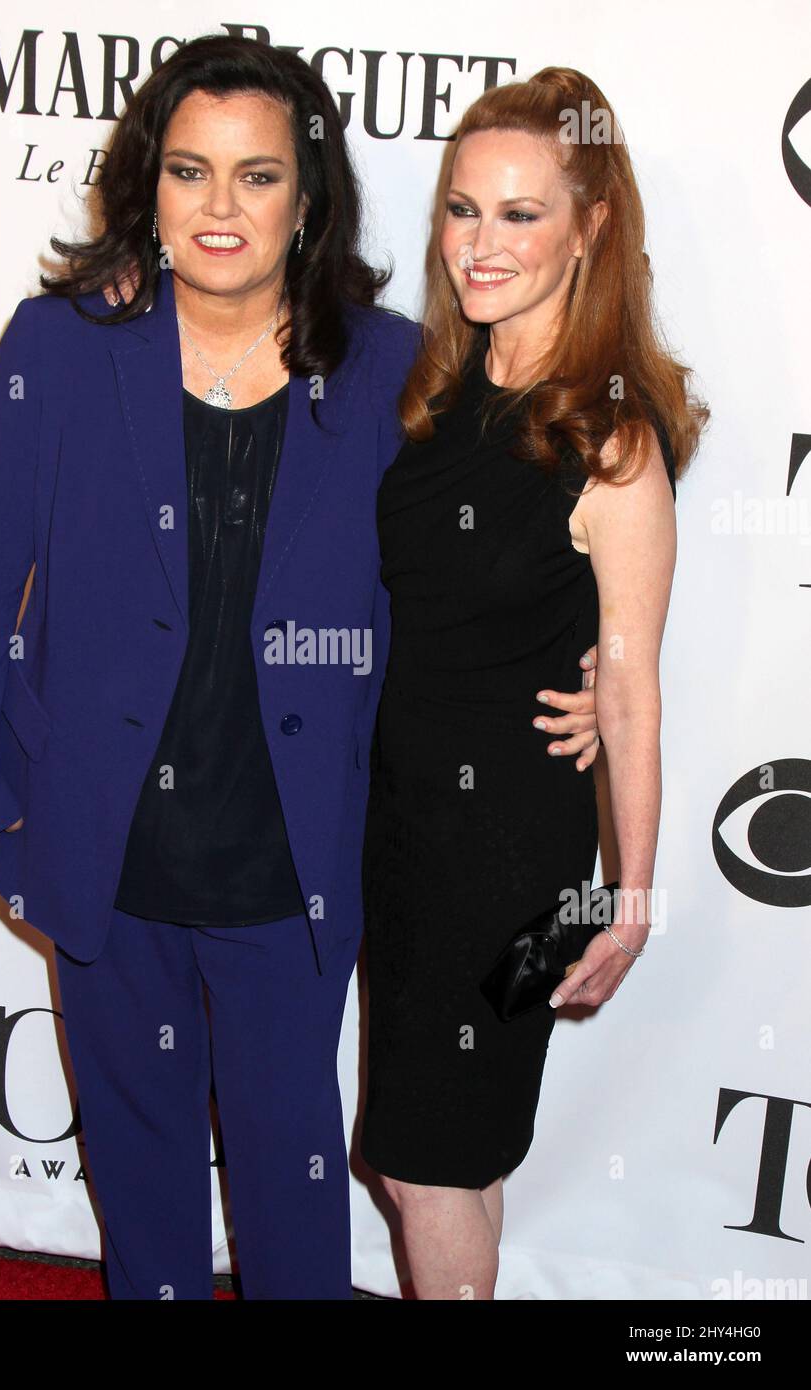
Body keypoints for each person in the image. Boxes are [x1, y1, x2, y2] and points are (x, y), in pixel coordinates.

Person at [0, 36, 601, 1301]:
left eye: (257, 176)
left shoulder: (395, 367)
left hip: (295, 863)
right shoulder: (61, 346)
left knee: (293, 1195)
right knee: (141, 1180)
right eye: (189, 172)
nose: (219, 209)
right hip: (103, 855)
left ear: (309, 196)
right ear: (149, 187)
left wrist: (599, 669)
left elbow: (497, 545)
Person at [359, 66, 708, 1300]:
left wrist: (629, 895)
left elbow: (626, 689)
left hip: (509, 847)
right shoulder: (442, 391)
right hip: (403, 830)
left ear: (588, 226)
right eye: (462, 209)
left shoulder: (608, 439)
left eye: (519, 214)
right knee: (452, 1150)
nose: (479, 244)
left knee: (424, 1162)